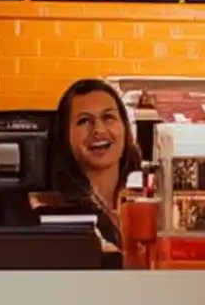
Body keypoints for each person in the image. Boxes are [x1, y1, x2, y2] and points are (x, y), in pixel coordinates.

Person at [49, 78, 141, 250]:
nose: (99, 130)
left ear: (125, 128)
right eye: (84, 121)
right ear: (64, 135)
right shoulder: (53, 210)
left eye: (108, 117)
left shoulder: (147, 198)